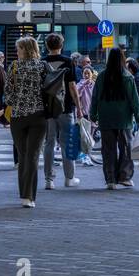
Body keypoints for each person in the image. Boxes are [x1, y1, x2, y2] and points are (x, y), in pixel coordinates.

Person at [89, 47, 139, 190]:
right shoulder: (127, 77)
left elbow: (95, 97)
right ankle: (124, 177)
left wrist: (93, 114)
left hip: (106, 118)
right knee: (126, 148)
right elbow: (134, 100)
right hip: (123, 119)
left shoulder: (101, 76)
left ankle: (110, 179)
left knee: (108, 150)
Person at [6, 36, 49, 207]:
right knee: (33, 155)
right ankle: (29, 196)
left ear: (25, 49)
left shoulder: (14, 66)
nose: (17, 51)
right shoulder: (43, 66)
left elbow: (8, 94)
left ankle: (25, 194)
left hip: (18, 117)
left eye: (18, 48)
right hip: (39, 115)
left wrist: (16, 101)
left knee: (23, 155)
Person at [42, 33, 82, 191]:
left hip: (48, 109)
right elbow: (72, 87)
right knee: (67, 143)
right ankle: (69, 178)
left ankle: (49, 180)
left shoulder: (42, 62)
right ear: (61, 45)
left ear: (47, 46)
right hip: (65, 107)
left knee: (49, 142)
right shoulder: (68, 61)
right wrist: (79, 107)